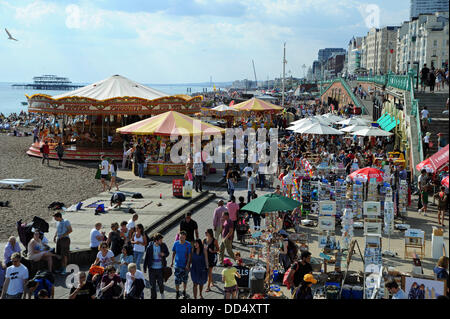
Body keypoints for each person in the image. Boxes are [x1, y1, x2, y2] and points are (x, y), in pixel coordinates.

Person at [143, 233, 168, 299]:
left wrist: (164, 254)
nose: (162, 241)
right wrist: (144, 267)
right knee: (152, 285)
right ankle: (153, 297)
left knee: (160, 283)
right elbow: (146, 257)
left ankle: (162, 293)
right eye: (160, 240)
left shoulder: (163, 245)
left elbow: (167, 253)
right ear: (156, 240)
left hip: (160, 268)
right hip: (152, 269)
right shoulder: (150, 247)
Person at [171, 231, 192, 299]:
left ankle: (184, 291)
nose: (181, 238)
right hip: (177, 265)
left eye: (183, 237)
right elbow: (174, 252)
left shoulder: (188, 244)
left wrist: (187, 265)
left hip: (185, 266)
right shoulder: (176, 243)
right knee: (176, 280)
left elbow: (189, 255)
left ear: (185, 237)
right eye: (180, 236)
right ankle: (177, 292)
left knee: (185, 280)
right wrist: (172, 262)